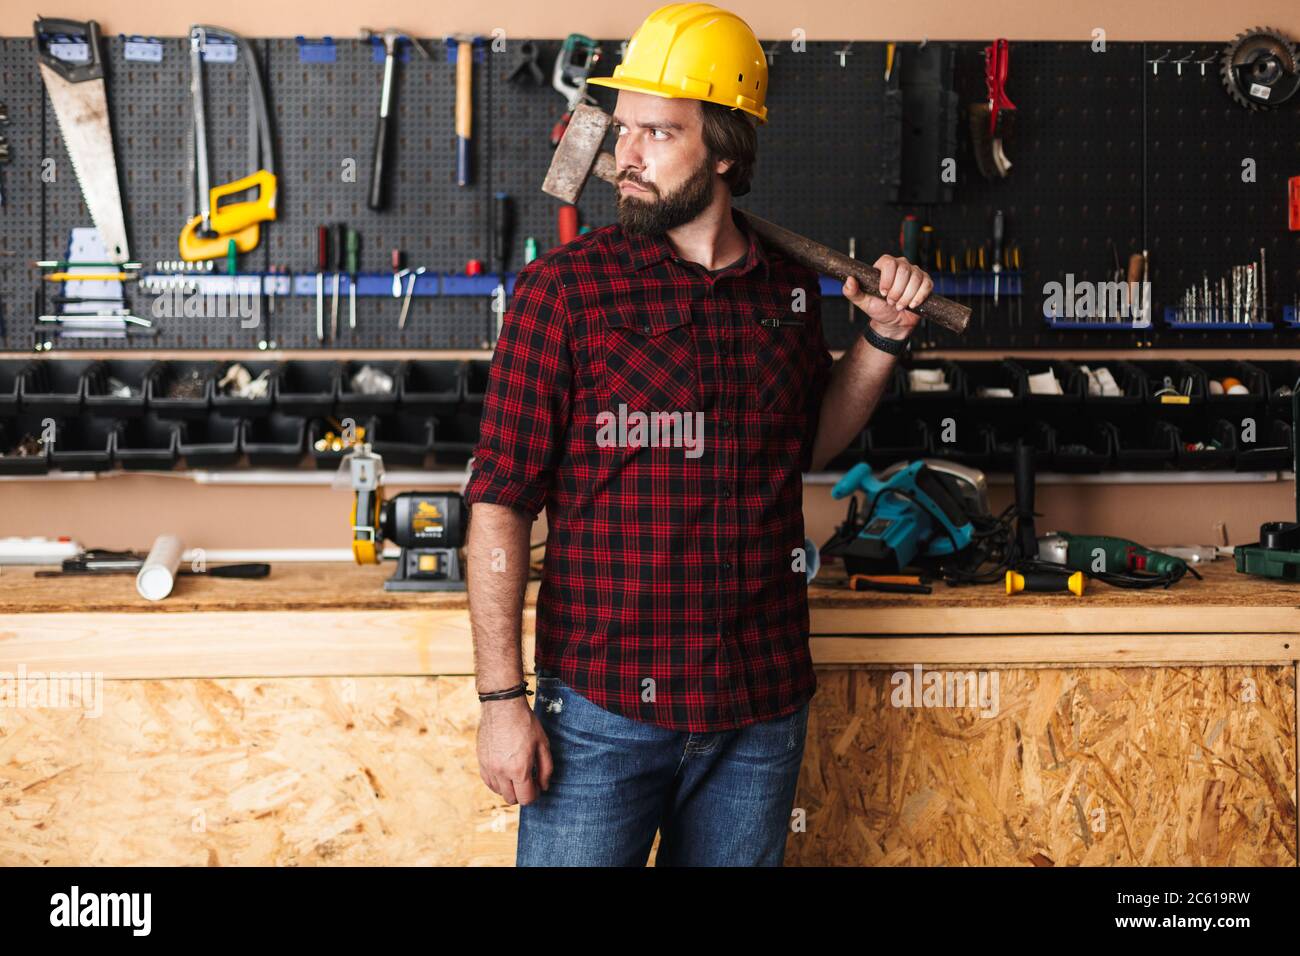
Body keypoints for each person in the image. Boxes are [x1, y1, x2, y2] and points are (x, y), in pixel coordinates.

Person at [465, 2, 932, 866]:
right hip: (602, 714)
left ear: (724, 149)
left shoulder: (786, 292)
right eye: (623, 129)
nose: (626, 156)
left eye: (659, 133)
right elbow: (498, 503)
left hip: (758, 708)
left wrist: (879, 341)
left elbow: (806, 446)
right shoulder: (563, 293)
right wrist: (502, 699)